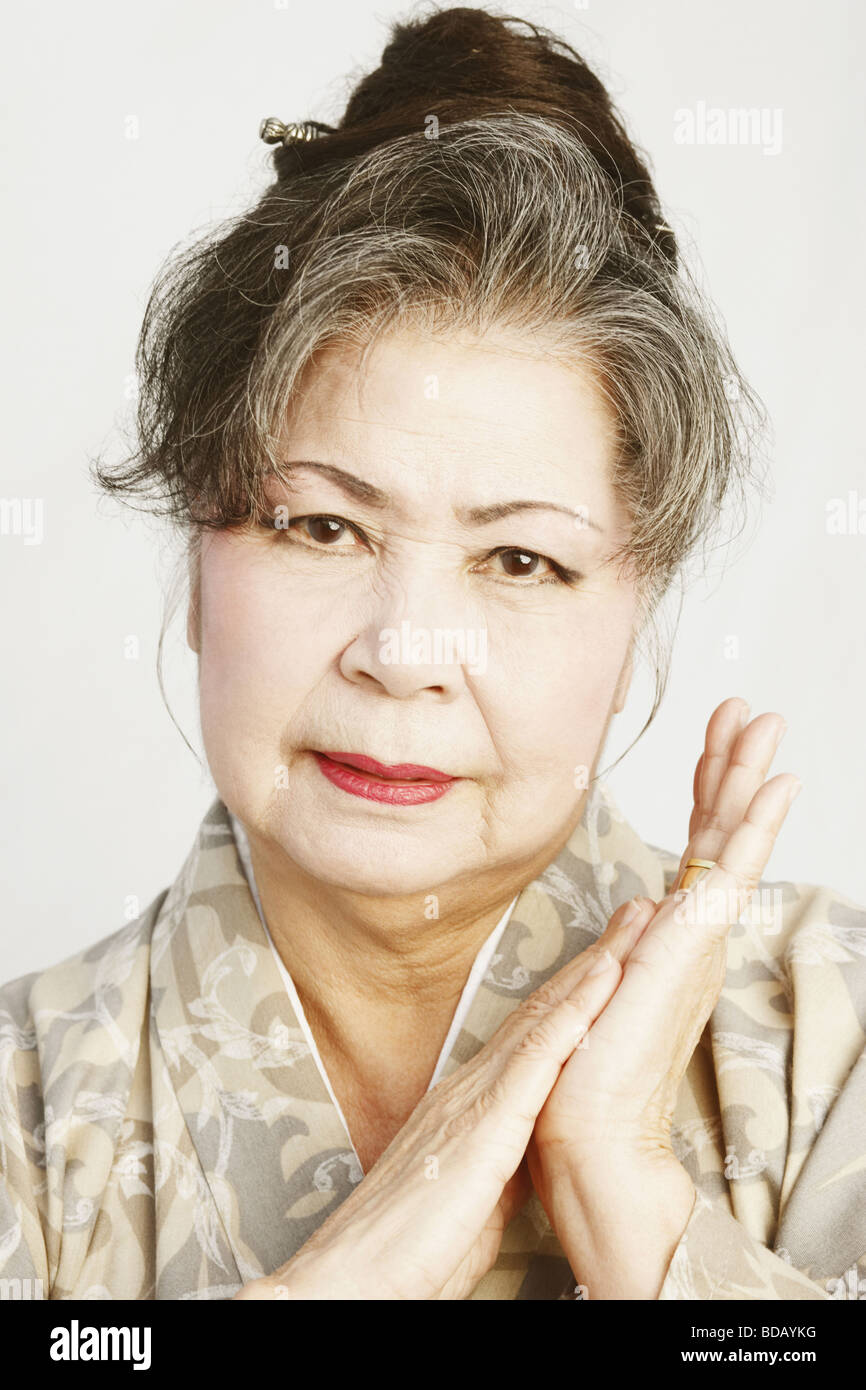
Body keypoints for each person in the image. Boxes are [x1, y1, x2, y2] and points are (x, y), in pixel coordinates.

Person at [1, 6, 864, 1302]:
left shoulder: (831, 1049)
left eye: (520, 559)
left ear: (638, 602)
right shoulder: (23, 1109)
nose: (406, 655)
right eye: (321, 525)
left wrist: (634, 1203)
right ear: (198, 548)